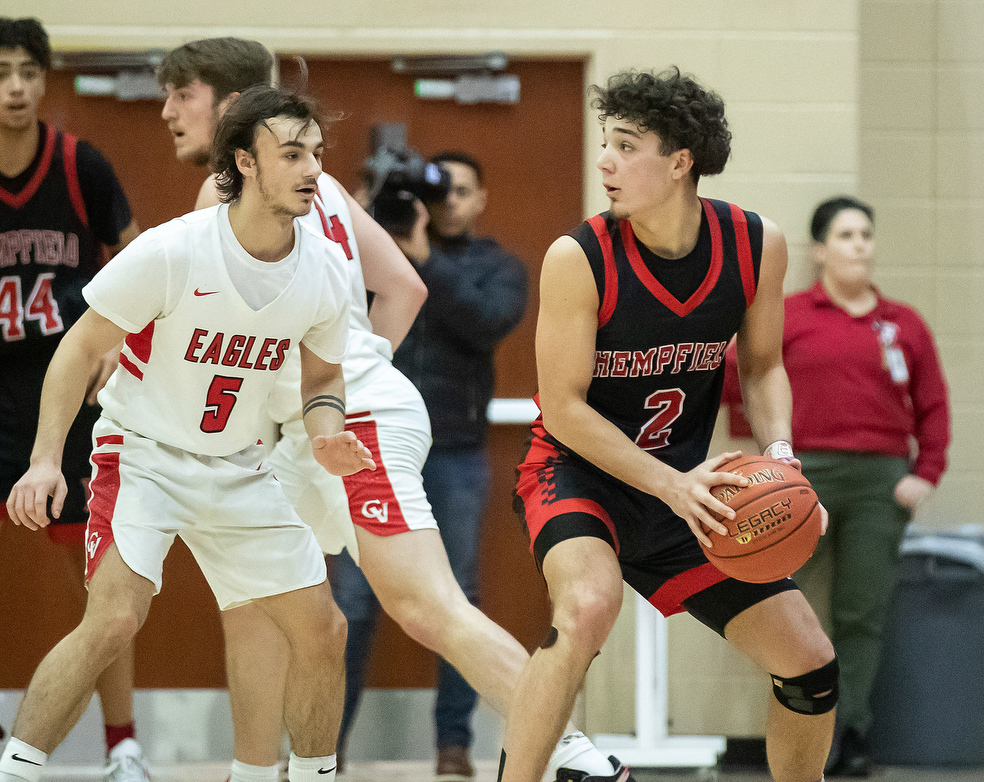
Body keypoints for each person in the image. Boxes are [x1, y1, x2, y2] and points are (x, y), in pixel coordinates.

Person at [158, 38, 621, 782]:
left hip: (355, 421)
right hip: (305, 435)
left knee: (429, 607)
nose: (168, 110)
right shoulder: (327, 188)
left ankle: (576, 757)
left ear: (230, 104)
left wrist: (344, 377)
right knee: (250, 600)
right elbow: (406, 288)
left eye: (183, 94)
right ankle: (257, 771)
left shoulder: (231, 197)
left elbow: (228, 342)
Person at [0, 86, 378, 782]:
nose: (312, 170)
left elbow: (324, 378)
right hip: (142, 454)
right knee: (114, 619)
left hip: (239, 463)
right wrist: (45, 461)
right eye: (292, 154)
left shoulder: (324, 267)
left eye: (317, 154)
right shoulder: (174, 250)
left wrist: (327, 432)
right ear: (247, 161)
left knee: (324, 629)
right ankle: (18, 768)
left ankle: (315, 775)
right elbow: (81, 348)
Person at [505, 68, 839, 782]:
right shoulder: (579, 257)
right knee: (587, 607)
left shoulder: (756, 244)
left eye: (626, 146)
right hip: (577, 472)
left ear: (680, 159)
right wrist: (671, 484)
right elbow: (562, 407)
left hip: (687, 490)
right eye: (605, 144)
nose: (604, 162)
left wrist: (779, 454)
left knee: (810, 666)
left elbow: (763, 366)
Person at [334, 150, 529, 778]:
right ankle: (323, 749)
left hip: (454, 451)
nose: (445, 201)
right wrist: (363, 228)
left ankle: (454, 747)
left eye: (459, 191)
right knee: (353, 601)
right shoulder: (362, 254)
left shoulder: (494, 265)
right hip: (368, 448)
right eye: (433, 190)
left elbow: (487, 319)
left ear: (479, 200)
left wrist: (420, 259)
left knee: (457, 600)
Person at [0, 17, 147, 782]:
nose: (16, 86)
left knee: (101, 581)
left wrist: (115, 348)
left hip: (67, 391)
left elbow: (139, 267)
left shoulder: (80, 165)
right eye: (2, 71)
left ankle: (123, 744)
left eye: (28, 71)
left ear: (45, 79)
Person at [780, 197, 950, 777]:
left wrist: (924, 474)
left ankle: (849, 730)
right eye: (846, 235)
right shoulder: (790, 316)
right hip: (806, 479)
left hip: (881, 481)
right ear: (819, 249)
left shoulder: (903, 324)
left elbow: (933, 405)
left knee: (861, 613)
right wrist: (767, 464)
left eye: (866, 234)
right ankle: (803, 730)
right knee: (786, 608)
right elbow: (740, 383)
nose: (860, 245)